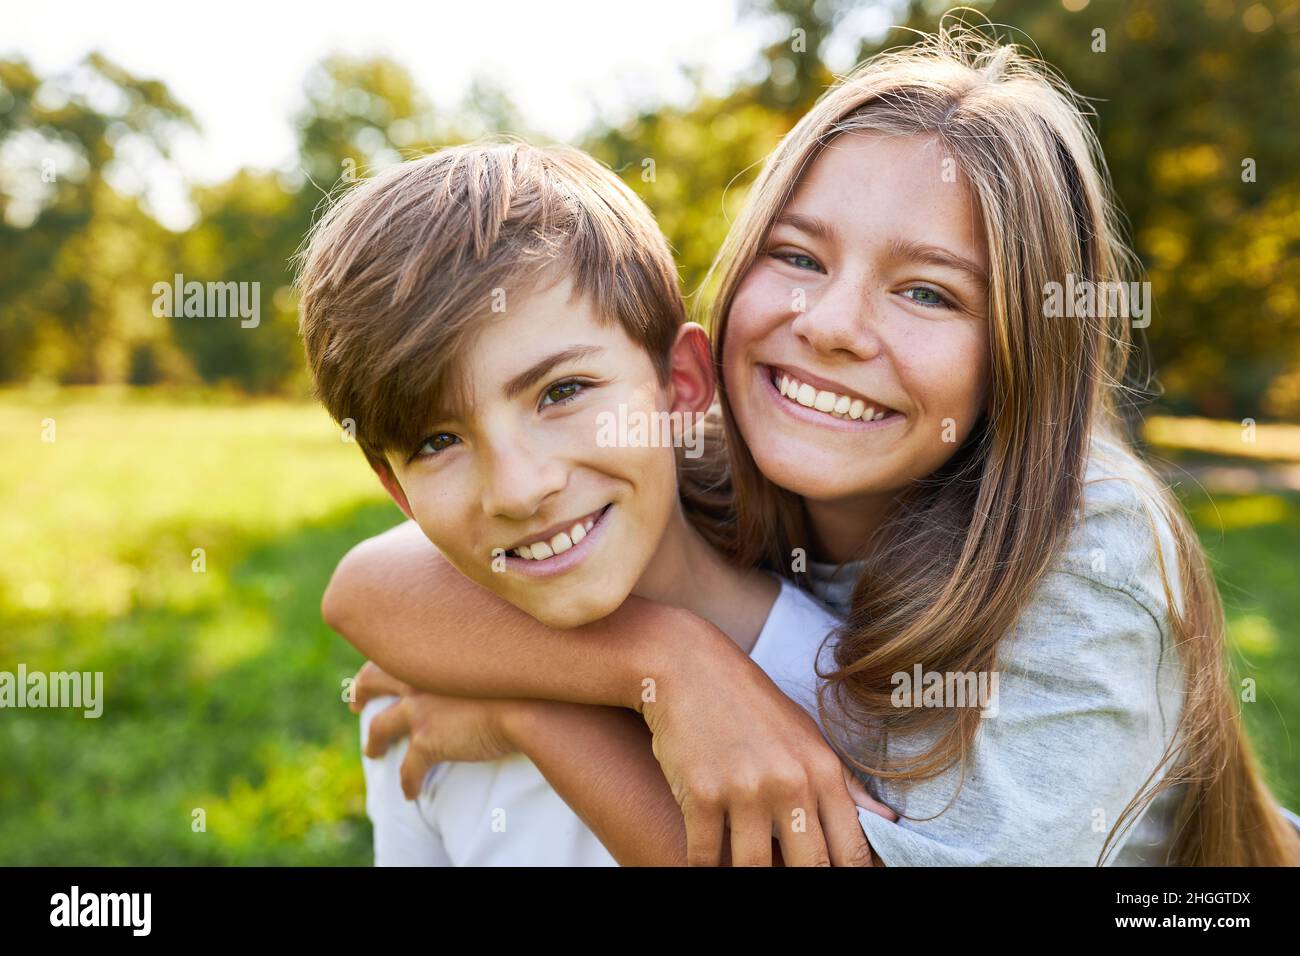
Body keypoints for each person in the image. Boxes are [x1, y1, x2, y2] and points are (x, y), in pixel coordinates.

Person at [327, 26, 1300, 866]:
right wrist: (662, 660)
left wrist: (534, 710)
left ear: (1017, 354)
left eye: (926, 291)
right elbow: (368, 583)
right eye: (797, 256)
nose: (830, 323)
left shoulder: (1086, 548)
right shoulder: (682, 451)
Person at [296, 141, 893, 865]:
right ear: (398, 494)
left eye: (563, 392)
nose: (519, 489)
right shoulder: (422, 704)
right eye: (438, 441)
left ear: (681, 384)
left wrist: (533, 714)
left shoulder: (855, 708)